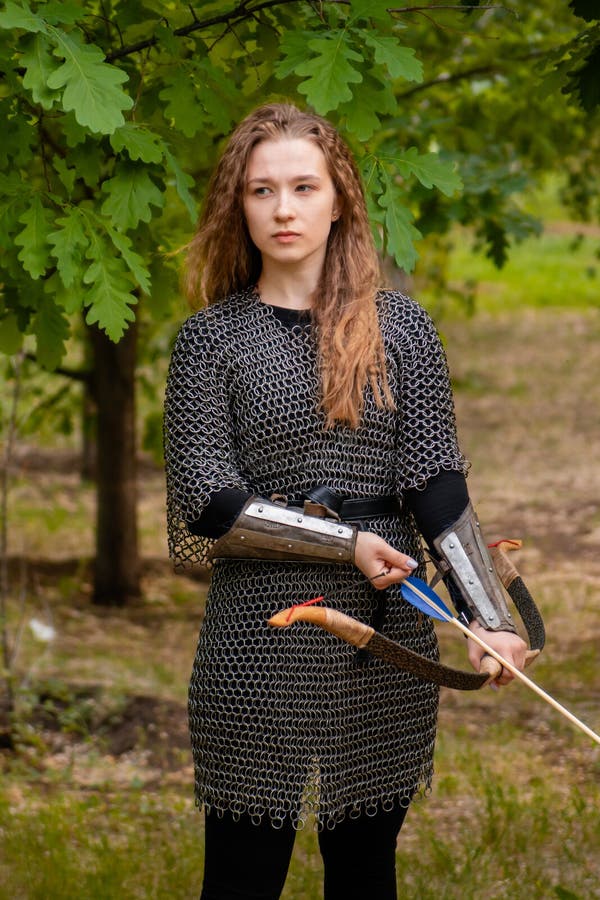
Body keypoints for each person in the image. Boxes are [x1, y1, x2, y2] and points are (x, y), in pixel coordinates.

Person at [164, 103, 528, 900]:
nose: (283, 209)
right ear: (239, 206)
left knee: (365, 872)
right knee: (242, 875)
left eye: (304, 187)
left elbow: (435, 485)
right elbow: (208, 500)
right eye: (262, 190)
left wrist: (490, 616)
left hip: (384, 635)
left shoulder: (400, 330)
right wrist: (346, 545)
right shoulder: (210, 341)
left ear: (339, 201)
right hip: (262, 633)